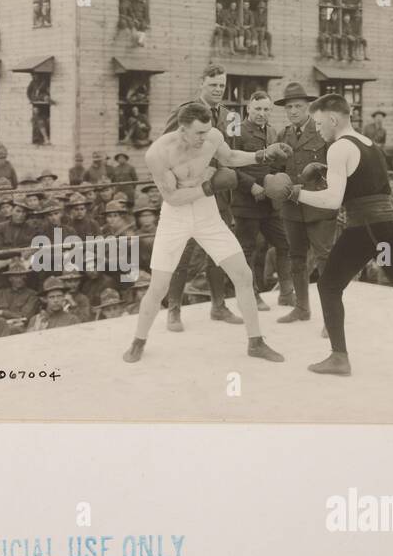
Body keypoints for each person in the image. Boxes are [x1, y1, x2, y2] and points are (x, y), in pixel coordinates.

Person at [263, 93, 393, 375]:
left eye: (318, 122)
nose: (317, 129)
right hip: (388, 228)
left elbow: (332, 200)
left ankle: (339, 357)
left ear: (333, 118)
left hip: (365, 229)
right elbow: (365, 182)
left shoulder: (339, 147)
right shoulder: (369, 143)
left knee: (328, 286)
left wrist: (295, 193)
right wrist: (326, 173)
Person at [122, 101, 292, 363]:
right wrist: (209, 187)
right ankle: (138, 341)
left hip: (206, 213)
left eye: (207, 131)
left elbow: (231, 158)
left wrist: (263, 155)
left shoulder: (212, 136)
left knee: (243, 274)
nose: (205, 138)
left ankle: (256, 342)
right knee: (158, 286)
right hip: (175, 216)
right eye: (199, 133)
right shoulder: (158, 154)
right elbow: (173, 197)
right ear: (182, 130)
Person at [160, 65, 243, 329]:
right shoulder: (186, 112)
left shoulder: (232, 116)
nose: (218, 90)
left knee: (218, 253)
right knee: (183, 252)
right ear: (201, 84)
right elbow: (165, 148)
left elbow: (233, 154)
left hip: (220, 195)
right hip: (192, 192)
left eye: (222, 85)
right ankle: (174, 310)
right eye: (213, 85)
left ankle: (218, 306)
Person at [272, 81, 336, 322]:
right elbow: (276, 169)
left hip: (318, 207)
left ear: (308, 107)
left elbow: (336, 168)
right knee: (296, 258)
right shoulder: (283, 135)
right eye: (289, 107)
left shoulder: (323, 132)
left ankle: (331, 317)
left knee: (324, 260)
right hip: (292, 208)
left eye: (298, 106)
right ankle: (302, 307)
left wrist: (311, 180)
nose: (293, 111)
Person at [231, 91, 293, 311]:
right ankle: (250, 296)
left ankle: (286, 293)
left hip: (269, 202)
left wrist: (279, 178)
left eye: (266, 109)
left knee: (285, 243)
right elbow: (229, 165)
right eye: (257, 109)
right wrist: (251, 185)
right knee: (247, 249)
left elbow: (273, 165)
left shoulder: (272, 132)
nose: (262, 113)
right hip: (246, 201)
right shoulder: (236, 130)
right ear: (248, 108)